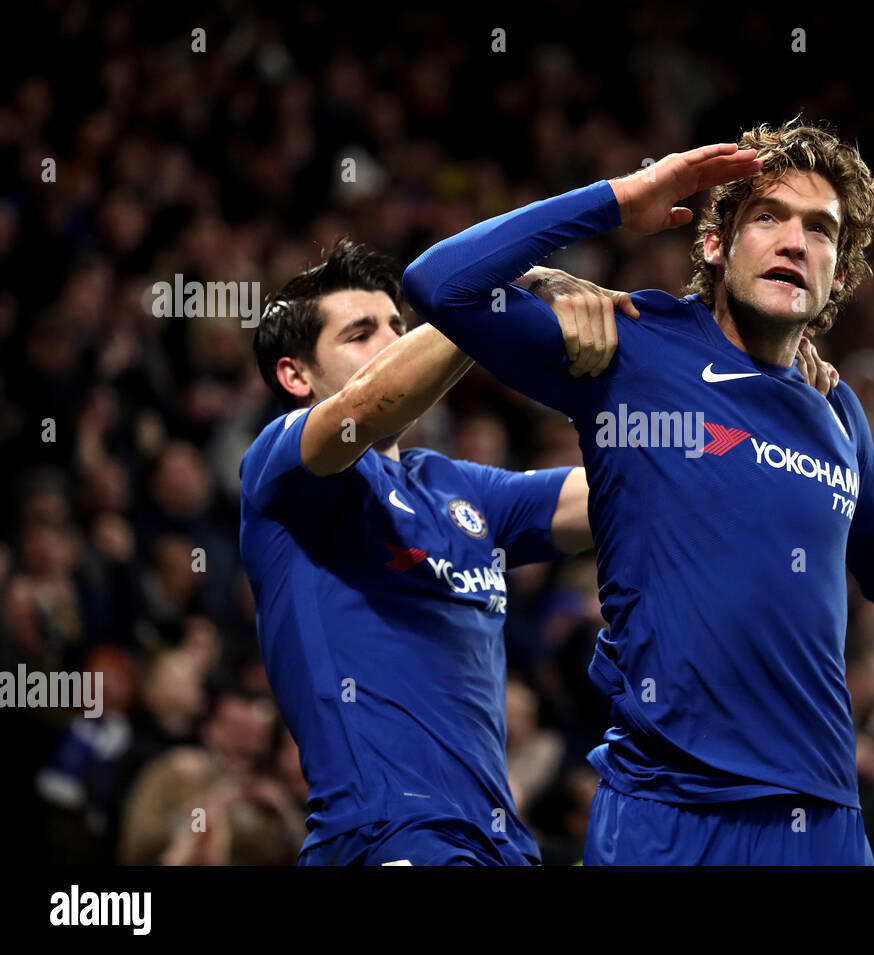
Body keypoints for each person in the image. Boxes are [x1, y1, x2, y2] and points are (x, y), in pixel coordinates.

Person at [402, 119, 874, 865]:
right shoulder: (631, 347)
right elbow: (440, 283)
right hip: (666, 816)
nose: (794, 242)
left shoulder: (838, 413)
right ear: (715, 243)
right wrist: (622, 199)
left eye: (820, 230)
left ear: (838, 274)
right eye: (768, 217)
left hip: (822, 822)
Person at [239, 238, 836, 865]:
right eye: (361, 335)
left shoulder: (453, 487)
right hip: (385, 839)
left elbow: (652, 484)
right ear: (295, 375)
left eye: (397, 326)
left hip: (499, 846)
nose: (391, 344)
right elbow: (367, 402)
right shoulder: (281, 475)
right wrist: (490, 300)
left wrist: (763, 393)